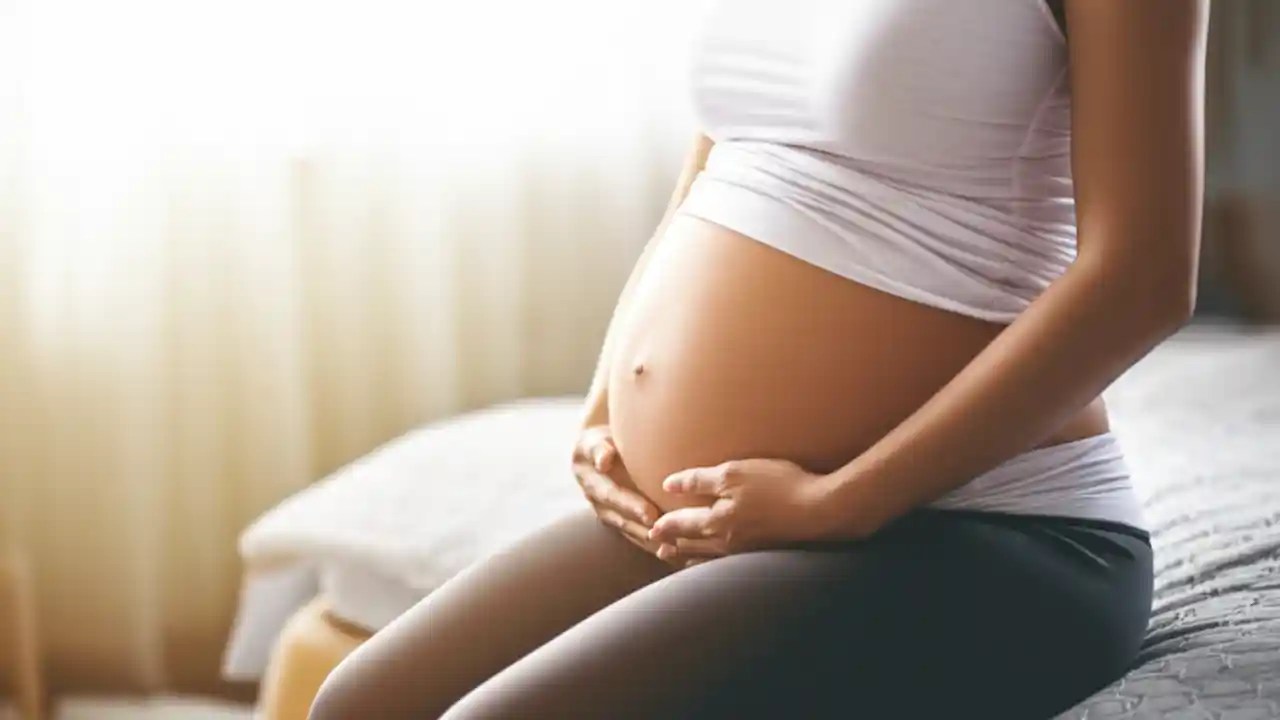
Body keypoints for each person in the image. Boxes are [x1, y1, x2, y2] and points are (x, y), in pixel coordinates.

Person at [308, 1, 1208, 717]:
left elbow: (1142, 282)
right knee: (360, 704)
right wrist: (606, 403)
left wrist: (839, 504)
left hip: (986, 529)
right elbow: (719, 167)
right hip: (737, 519)